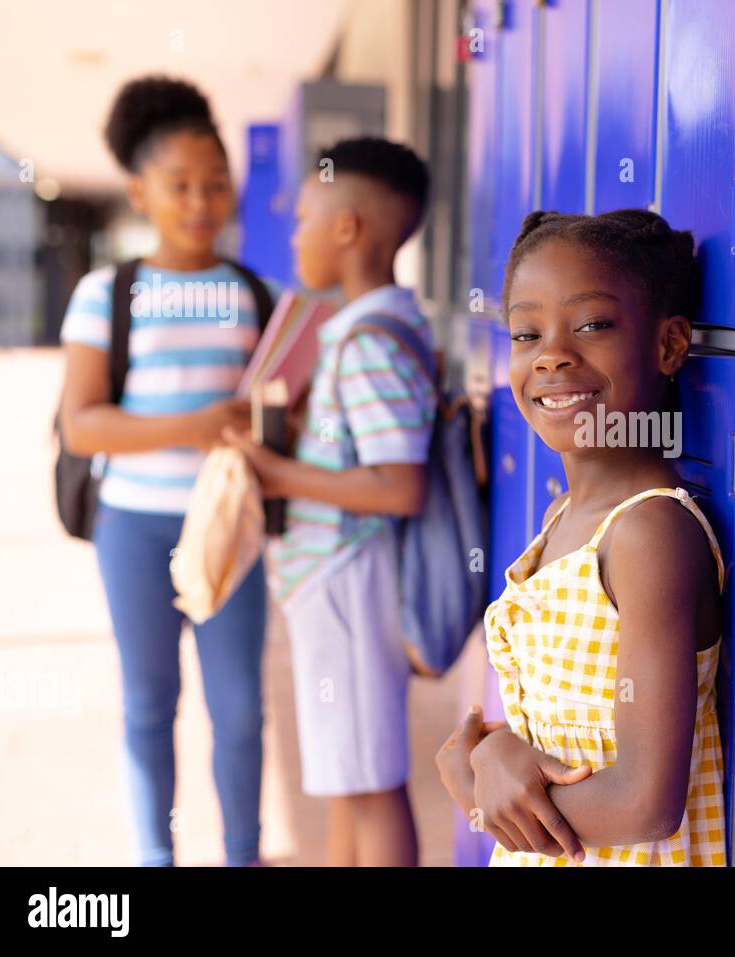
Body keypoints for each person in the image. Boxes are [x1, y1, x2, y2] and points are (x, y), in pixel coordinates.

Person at [436, 209, 727, 866]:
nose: (553, 354)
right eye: (526, 332)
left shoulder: (649, 531)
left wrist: (484, 791)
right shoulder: (565, 516)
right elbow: (575, 729)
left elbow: (646, 801)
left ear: (669, 346)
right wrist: (495, 751)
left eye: (593, 325)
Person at [58, 76, 274, 867]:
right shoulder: (105, 294)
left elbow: (272, 414)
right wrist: (194, 424)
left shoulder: (256, 295)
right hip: (134, 529)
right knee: (150, 704)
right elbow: (82, 423)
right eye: (179, 185)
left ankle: (243, 854)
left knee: (241, 709)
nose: (201, 201)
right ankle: (156, 856)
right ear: (138, 192)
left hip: (229, 529)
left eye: (215, 183)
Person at [224, 137, 434, 867]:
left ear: (348, 228)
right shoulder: (357, 330)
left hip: (349, 579)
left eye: (306, 216)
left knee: (372, 784)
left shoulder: (370, 341)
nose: (294, 233)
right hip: (330, 581)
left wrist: (278, 476)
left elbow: (398, 485)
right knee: (349, 779)